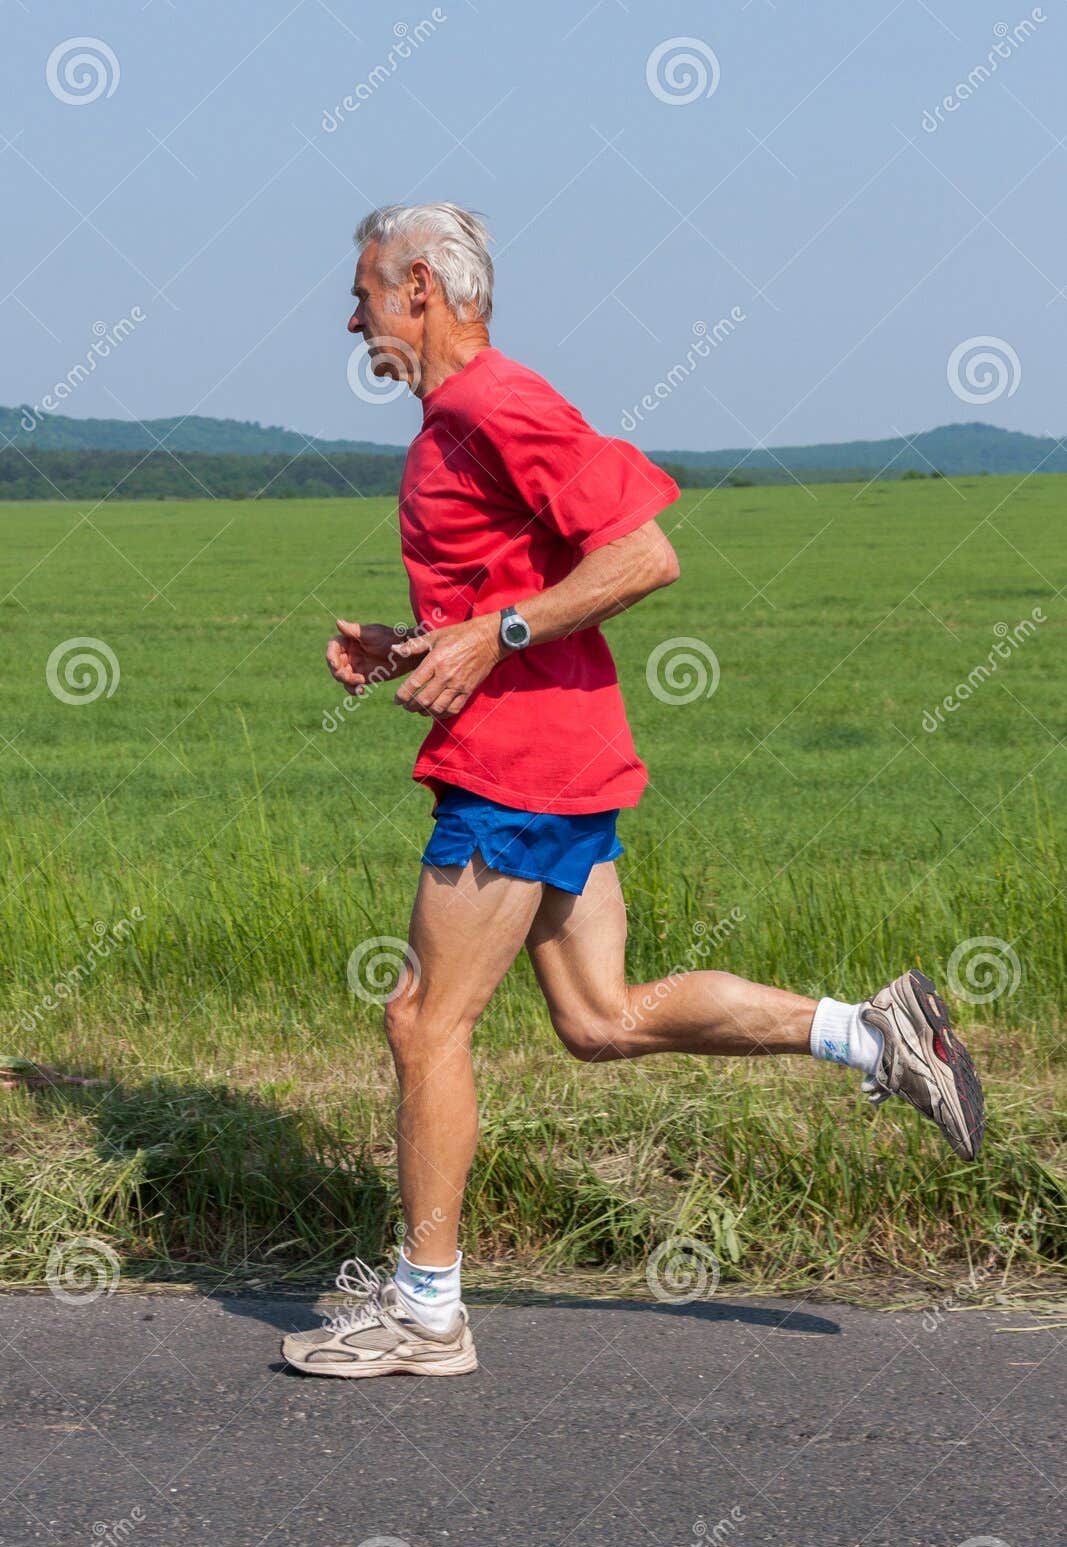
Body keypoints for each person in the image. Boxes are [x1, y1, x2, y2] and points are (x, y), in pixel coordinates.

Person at [282, 203, 985, 1380]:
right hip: (556, 752)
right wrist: (423, 643)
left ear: (422, 290)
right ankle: (871, 1034)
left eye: (363, 289)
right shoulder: (458, 419)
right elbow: (525, 589)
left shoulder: (494, 402)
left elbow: (641, 553)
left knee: (422, 1021)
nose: (348, 313)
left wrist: (489, 639)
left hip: (514, 771)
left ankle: (427, 1312)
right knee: (598, 1018)